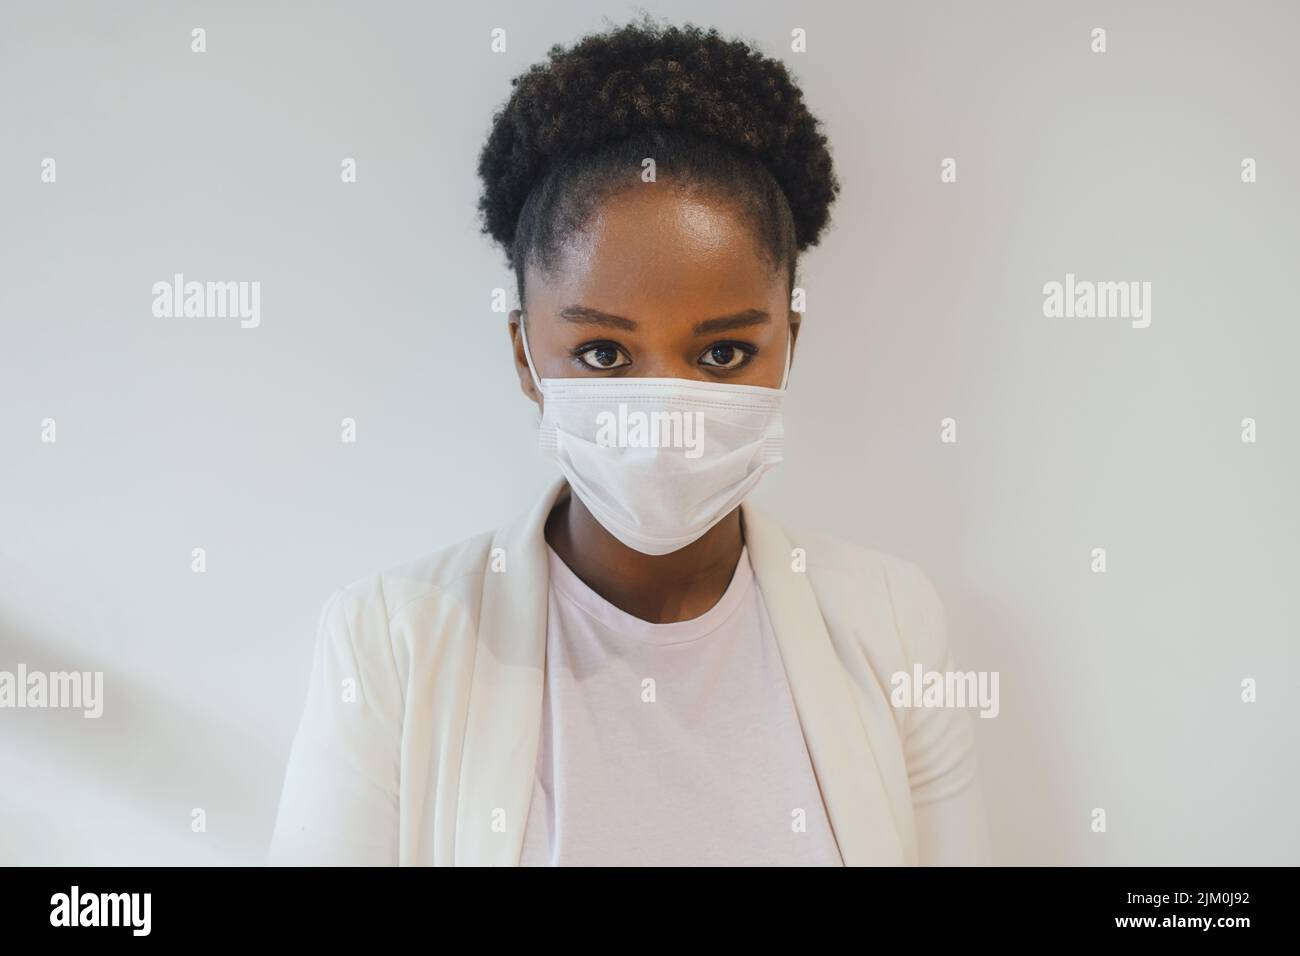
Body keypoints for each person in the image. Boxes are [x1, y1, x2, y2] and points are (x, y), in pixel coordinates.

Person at [269, 18, 991, 866]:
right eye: (604, 354)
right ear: (526, 356)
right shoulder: (390, 641)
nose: (667, 416)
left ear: (790, 343)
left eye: (723, 353)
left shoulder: (892, 622)